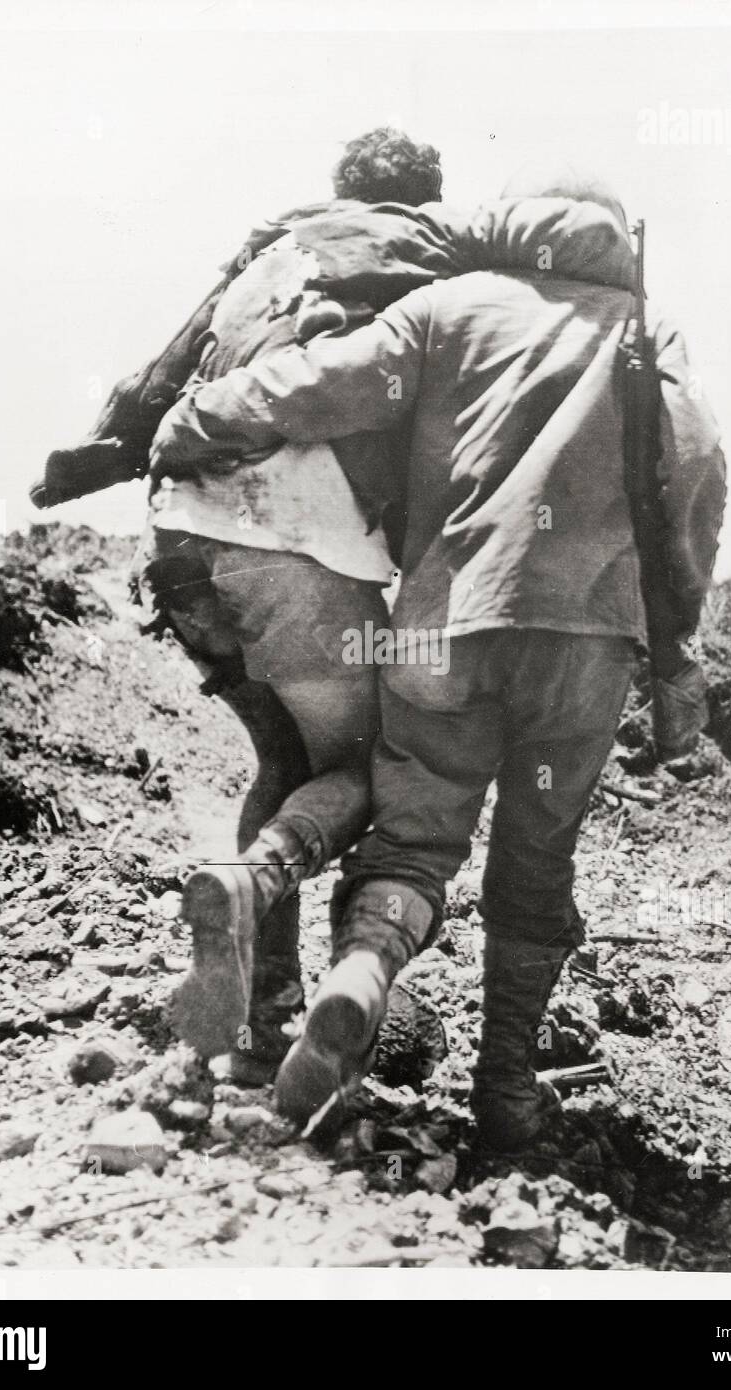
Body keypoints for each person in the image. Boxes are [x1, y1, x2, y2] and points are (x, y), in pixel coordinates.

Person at [44, 130, 639, 1084]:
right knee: (369, 766)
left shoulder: (271, 252)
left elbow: (151, 385)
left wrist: (109, 454)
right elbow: (344, 387)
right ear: (428, 200)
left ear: (339, 187)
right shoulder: (431, 255)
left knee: (288, 758)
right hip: (296, 542)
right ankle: (283, 958)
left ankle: (262, 1001)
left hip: (181, 537)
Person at [149, 169, 726, 1148]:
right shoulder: (644, 329)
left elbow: (319, 386)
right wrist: (676, 651)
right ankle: (504, 1092)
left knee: (413, 840)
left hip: (439, 625)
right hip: (585, 644)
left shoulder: (451, 306)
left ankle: (361, 973)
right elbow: (696, 471)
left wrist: (195, 420)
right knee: (536, 864)